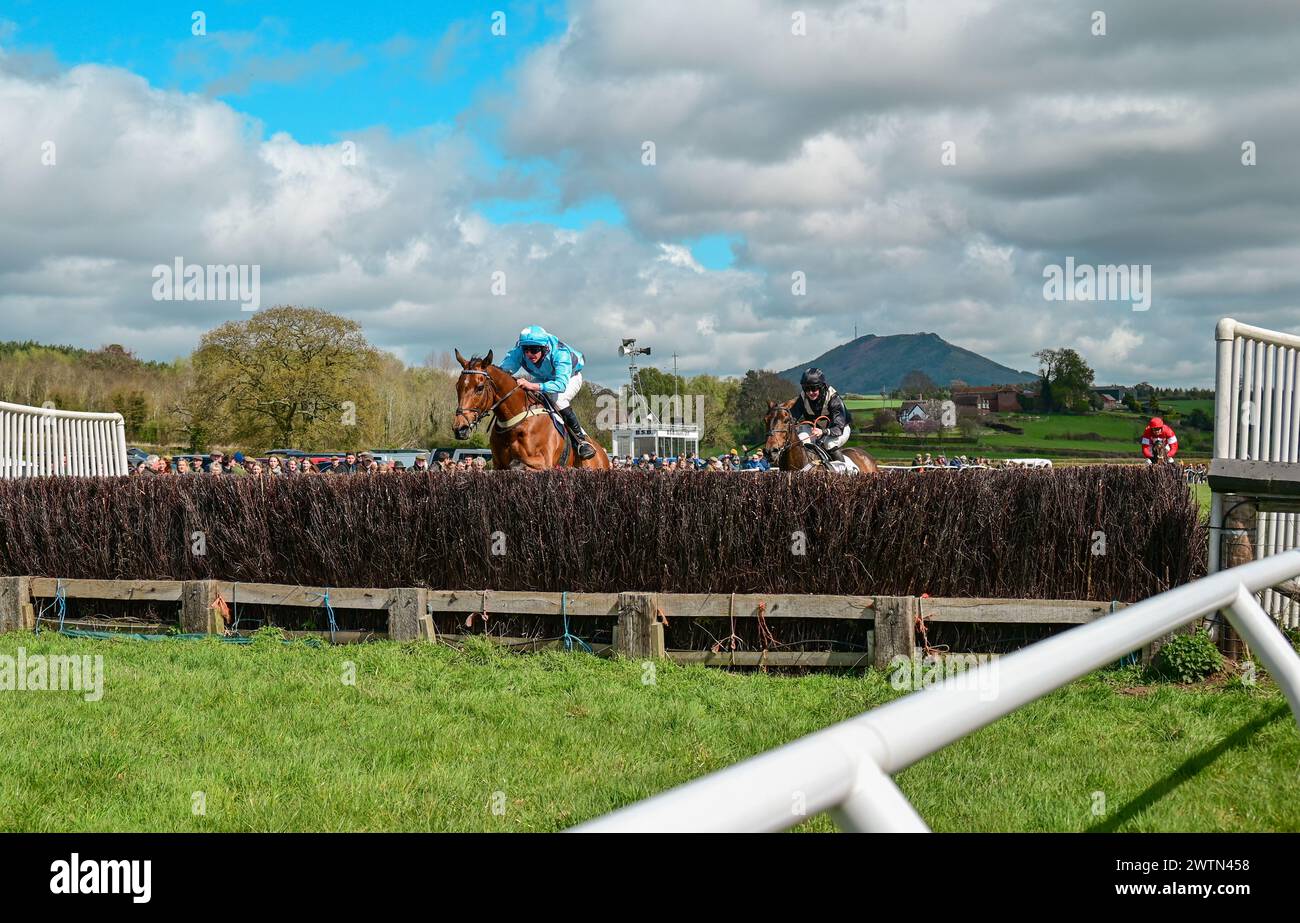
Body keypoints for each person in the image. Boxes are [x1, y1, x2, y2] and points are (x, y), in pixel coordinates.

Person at [498, 324, 596, 459]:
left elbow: (560, 385)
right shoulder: (520, 350)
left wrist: (532, 385)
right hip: (544, 377)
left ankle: (581, 441)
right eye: (526, 349)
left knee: (558, 400)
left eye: (534, 350)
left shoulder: (560, 353)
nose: (529, 354)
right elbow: (503, 371)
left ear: (545, 348)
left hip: (569, 377)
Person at [789, 368, 852, 463]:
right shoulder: (803, 397)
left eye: (814, 388)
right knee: (800, 441)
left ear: (821, 387)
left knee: (829, 444)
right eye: (806, 389)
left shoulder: (833, 398)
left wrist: (824, 431)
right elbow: (792, 418)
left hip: (839, 430)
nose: (810, 392)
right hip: (814, 429)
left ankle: (843, 473)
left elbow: (839, 428)